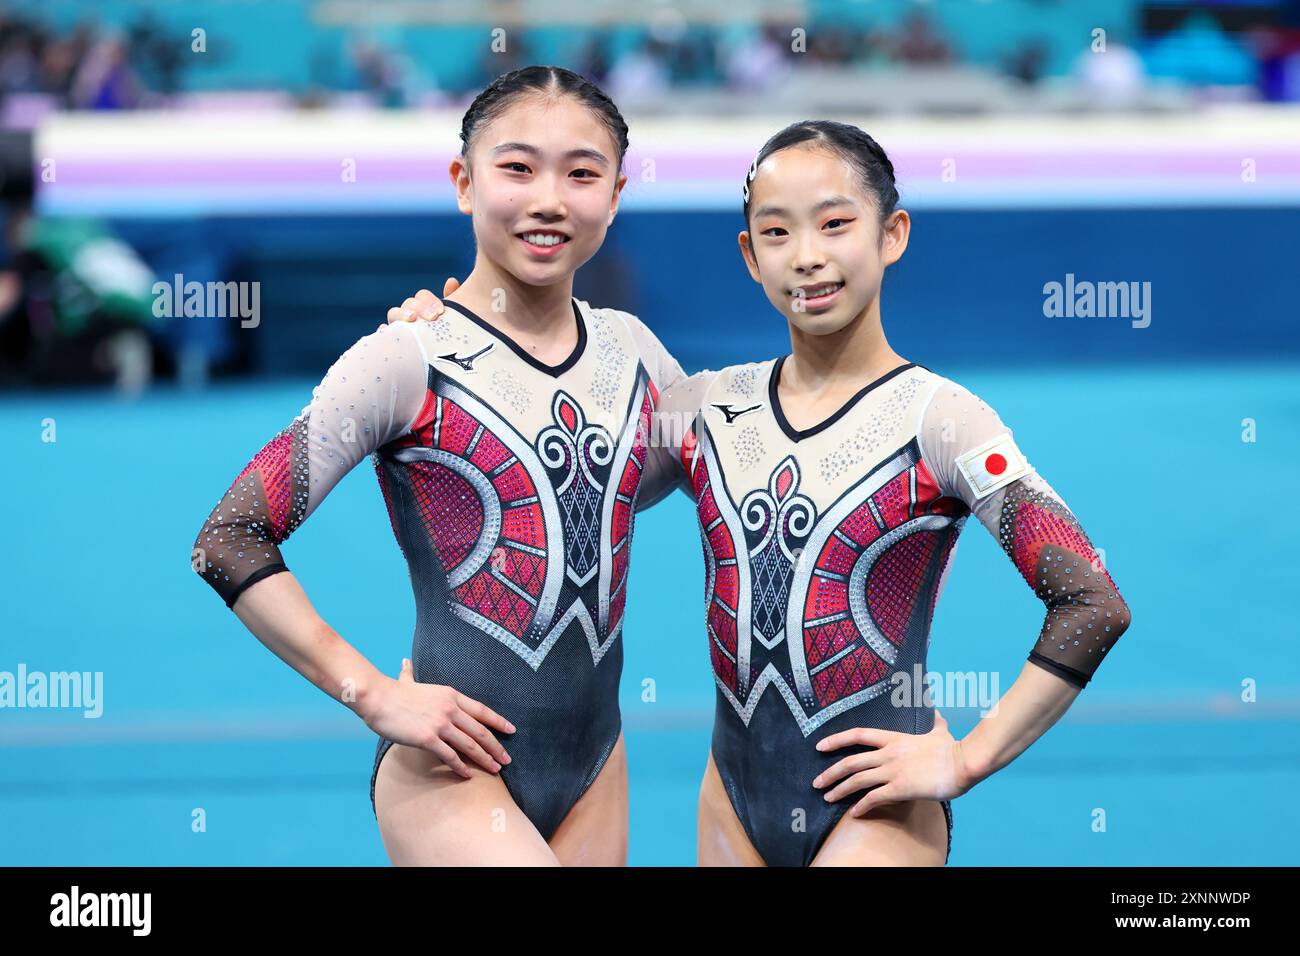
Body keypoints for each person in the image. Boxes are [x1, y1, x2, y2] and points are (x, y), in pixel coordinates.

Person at [389, 120, 1134, 866]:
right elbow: (569, 462)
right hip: (732, 810)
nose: (807, 257)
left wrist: (969, 758)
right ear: (749, 256)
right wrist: (469, 326)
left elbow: (1091, 601)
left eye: (836, 225)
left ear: (893, 232)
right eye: (776, 233)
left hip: (875, 814)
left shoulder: (940, 419)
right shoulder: (708, 406)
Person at [190, 66, 687, 865]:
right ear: (464, 181)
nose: (550, 199)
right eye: (517, 168)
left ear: (618, 193)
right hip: (448, 770)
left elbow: (735, 471)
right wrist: (372, 693)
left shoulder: (637, 356)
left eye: (582, 173)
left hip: (596, 764)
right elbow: (230, 536)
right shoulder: (406, 358)